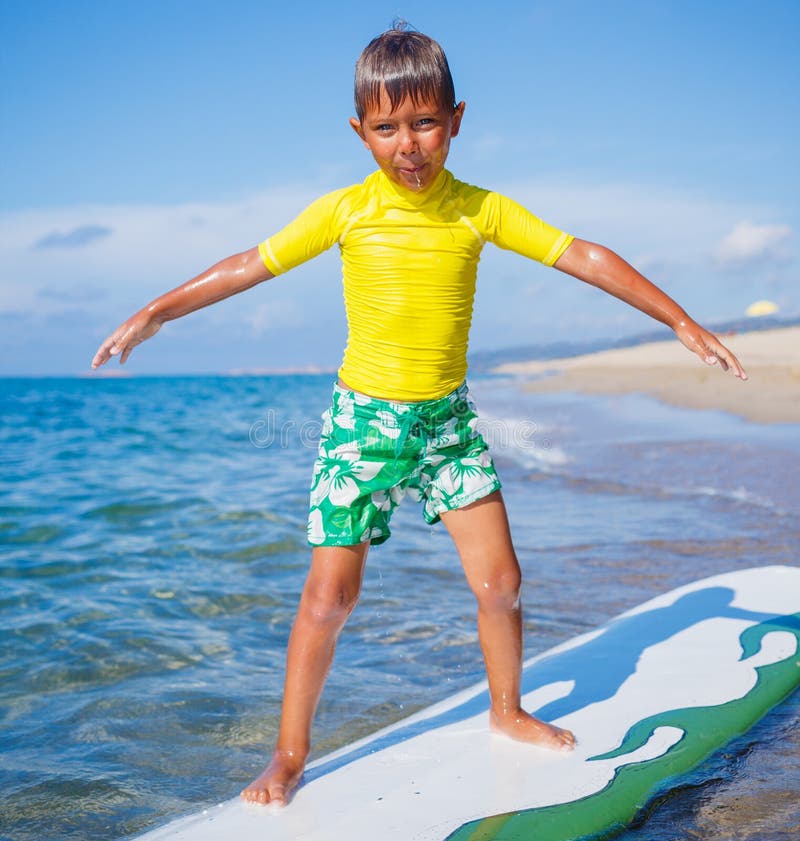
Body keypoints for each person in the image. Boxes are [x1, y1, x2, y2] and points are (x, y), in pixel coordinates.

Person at [91, 25, 747, 808]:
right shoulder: (346, 211)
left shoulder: (478, 210)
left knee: (501, 582)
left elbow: (584, 255)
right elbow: (246, 265)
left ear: (456, 120)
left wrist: (679, 320)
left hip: (446, 426)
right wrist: (156, 310)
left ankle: (506, 710)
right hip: (360, 427)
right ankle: (290, 754)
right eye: (387, 127)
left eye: (425, 123)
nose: (408, 145)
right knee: (329, 599)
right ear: (359, 131)